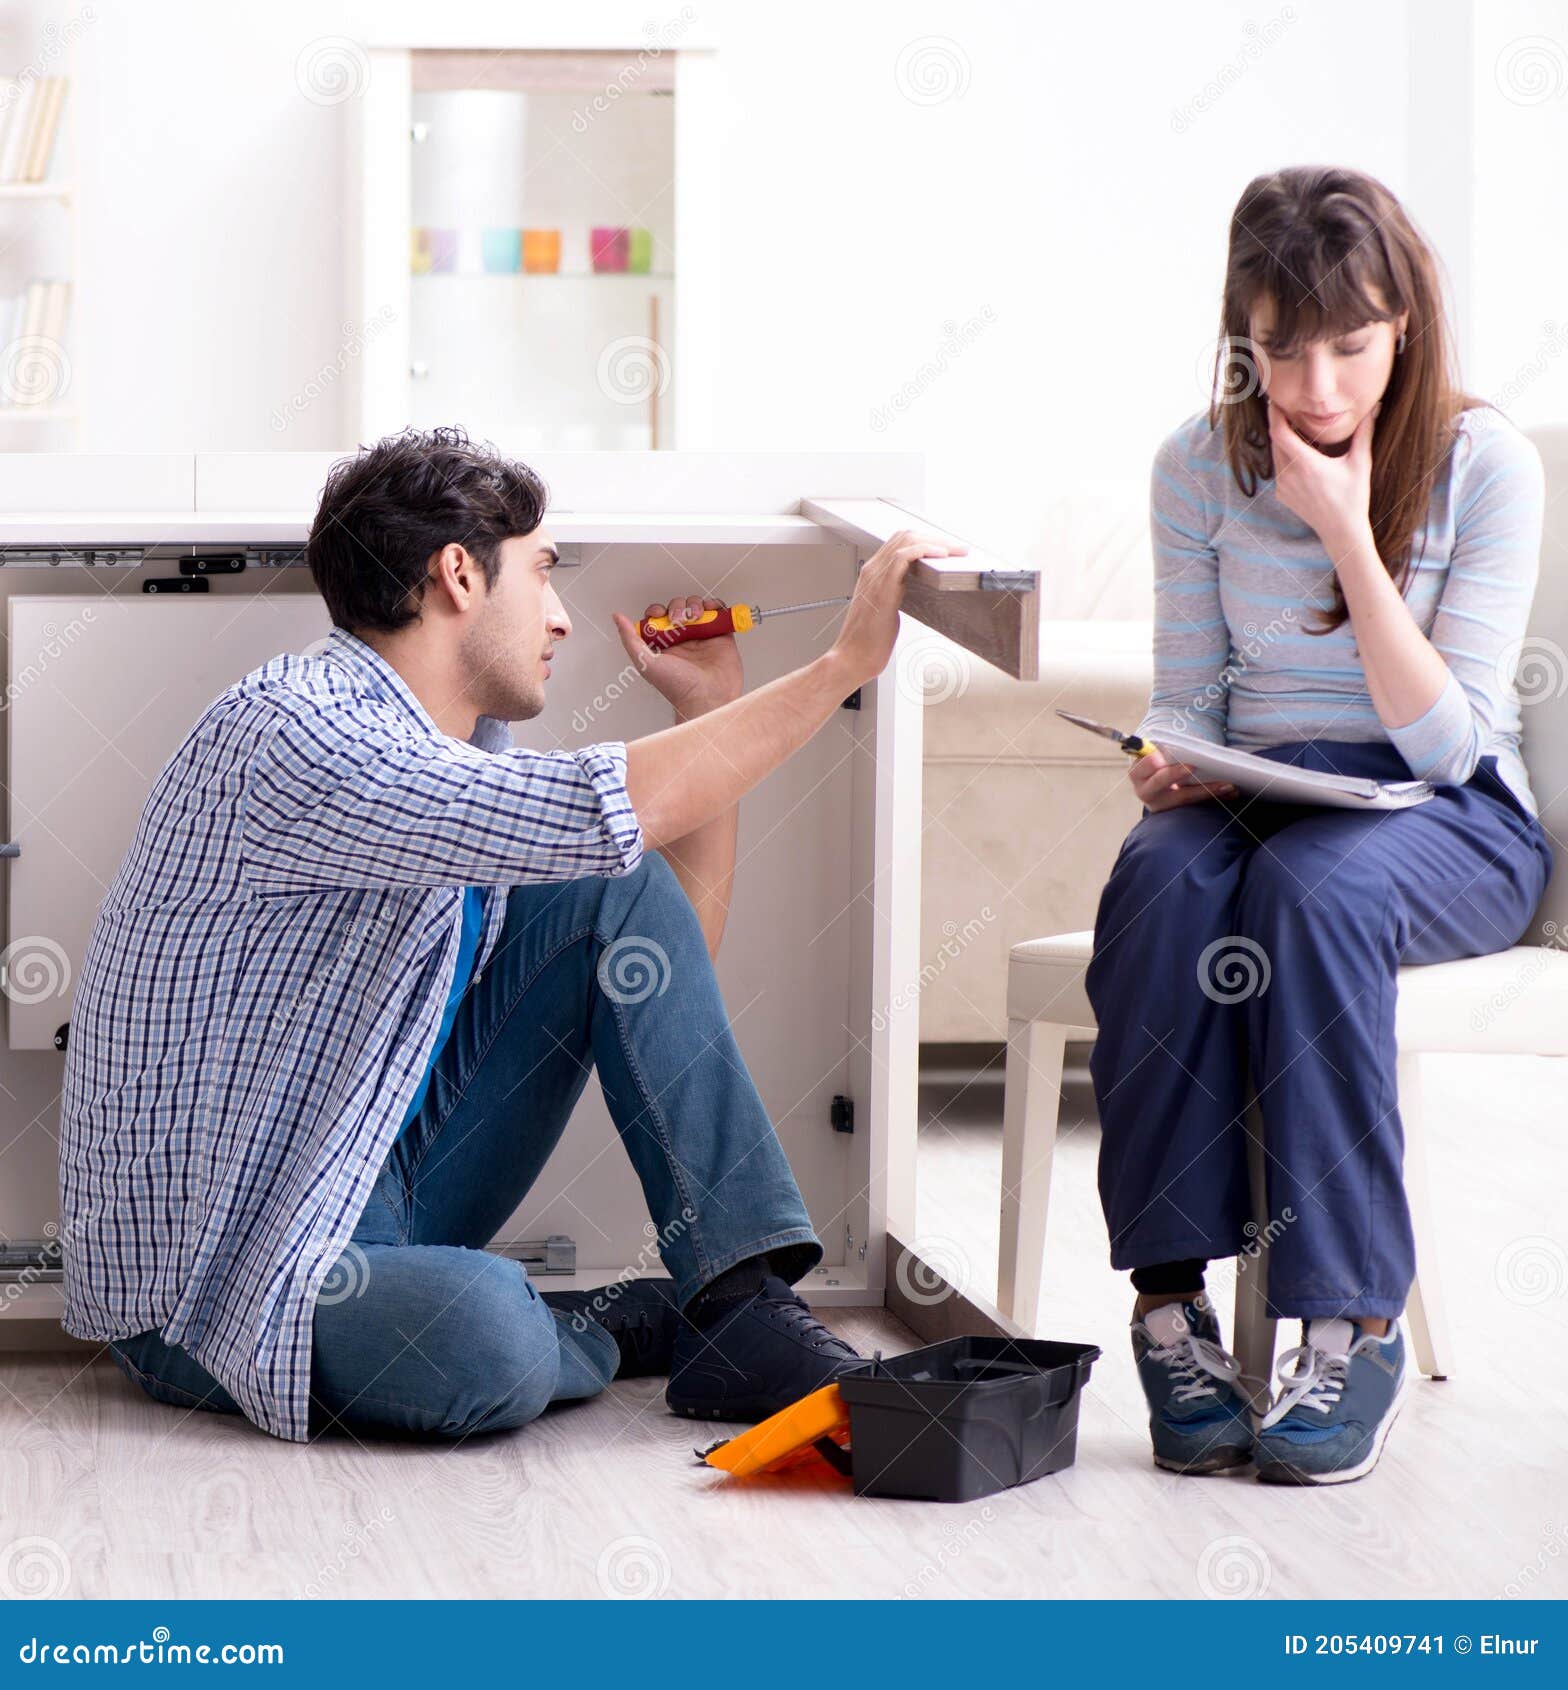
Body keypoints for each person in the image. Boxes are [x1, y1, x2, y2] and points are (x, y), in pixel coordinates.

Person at [58, 426, 963, 1445]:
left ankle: (740, 1306)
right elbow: (602, 803)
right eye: (543, 574)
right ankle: (591, 1328)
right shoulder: (301, 732)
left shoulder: (446, 760)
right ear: (456, 574)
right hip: (227, 1280)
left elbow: (654, 963)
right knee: (487, 1336)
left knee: (609, 886)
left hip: (369, 1189)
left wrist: (708, 700)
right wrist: (845, 662)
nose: (563, 617)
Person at [1087, 165, 1552, 1484]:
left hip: (1447, 817)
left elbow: (1449, 740)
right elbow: (1191, 688)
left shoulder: (1484, 465)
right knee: (1161, 886)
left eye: (1350, 344)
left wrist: (1350, 538)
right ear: (1244, 334)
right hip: (1262, 792)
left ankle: (1350, 1322)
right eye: (1284, 345)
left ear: (1404, 325)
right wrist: (1172, 754)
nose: (1320, 385)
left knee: (1317, 894)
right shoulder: (1194, 462)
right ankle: (1171, 1310)